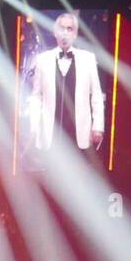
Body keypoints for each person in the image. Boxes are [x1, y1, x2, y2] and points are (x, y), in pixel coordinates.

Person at [24, 12, 105, 168]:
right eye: (62, 28)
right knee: (53, 176)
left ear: (75, 34)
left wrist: (98, 126)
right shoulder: (43, 60)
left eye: (70, 29)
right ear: (55, 32)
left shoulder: (87, 59)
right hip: (51, 131)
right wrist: (34, 125)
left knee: (79, 174)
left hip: (79, 131)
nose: (65, 33)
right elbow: (36, 96)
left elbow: (96, 95)